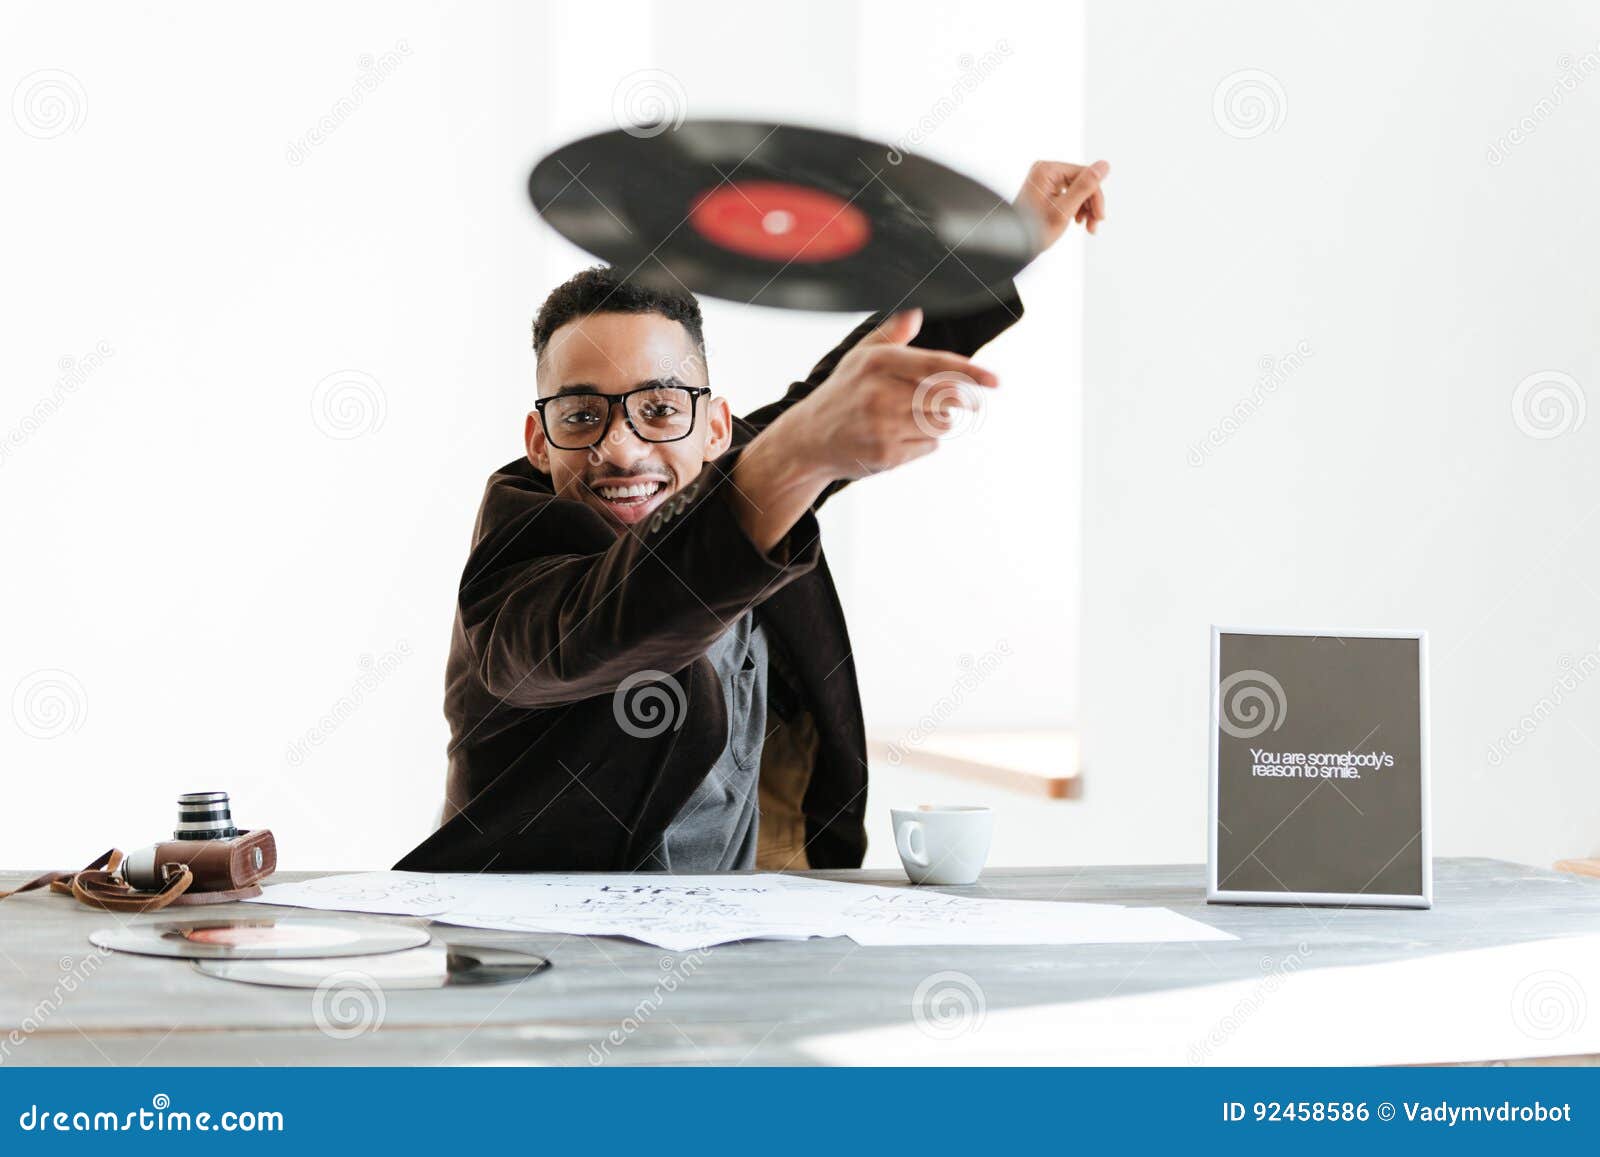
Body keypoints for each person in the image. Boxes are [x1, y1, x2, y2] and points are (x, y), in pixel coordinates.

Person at [396, 159, 1111, 872]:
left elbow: (849, 383)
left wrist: (1006, 242)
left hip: (732, 948)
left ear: (716, 431)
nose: (621, 448)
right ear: (538, 441)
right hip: (529, 961)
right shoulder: (513, 569)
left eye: (659, 409)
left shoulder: (733, 473)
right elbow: (610, 620)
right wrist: (795, 457)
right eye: (581, 415)